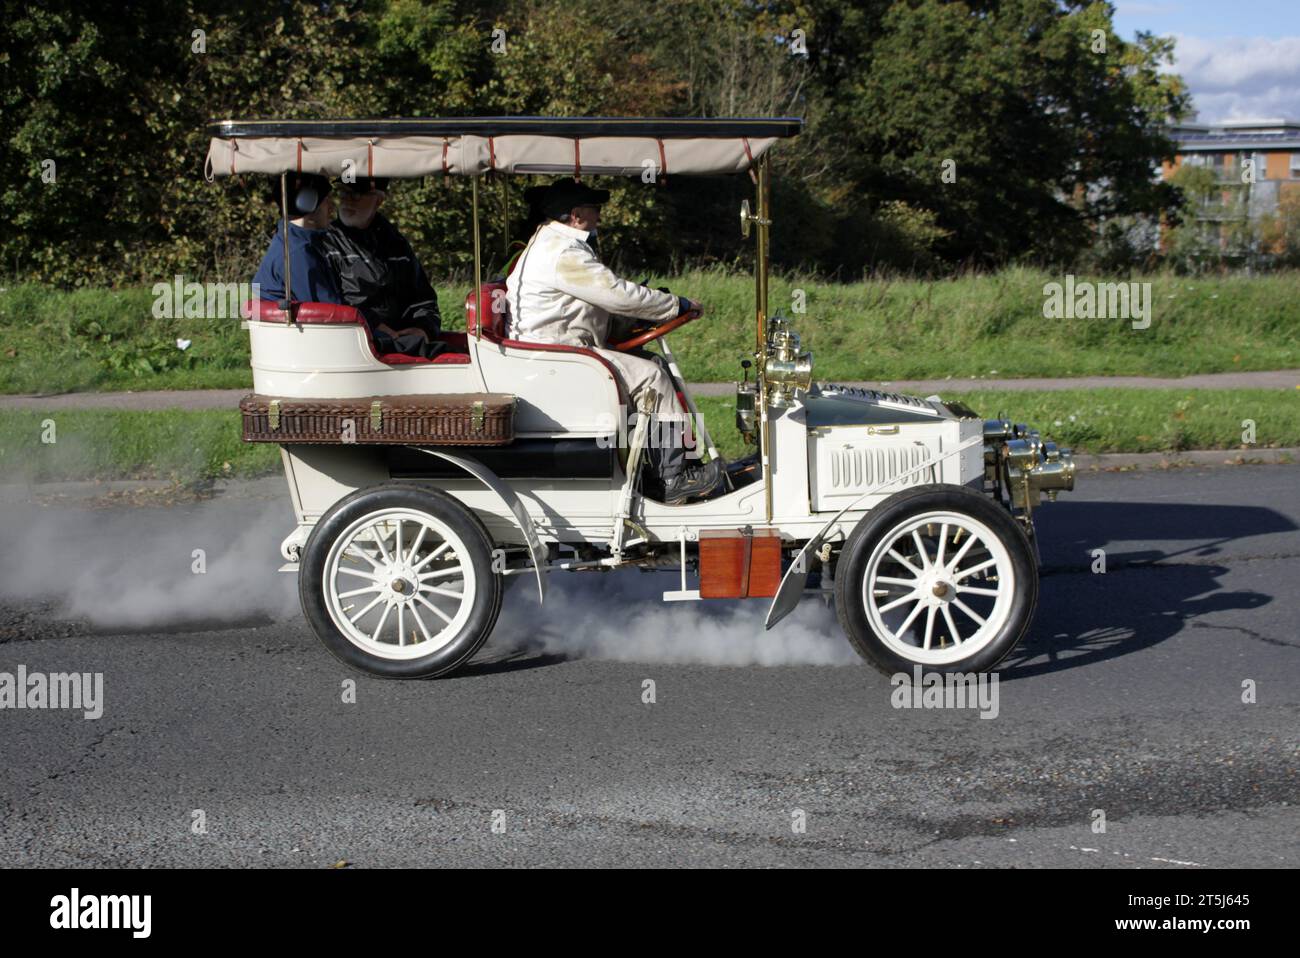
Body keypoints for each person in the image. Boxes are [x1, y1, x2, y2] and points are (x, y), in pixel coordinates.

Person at [505, 178, 723, 504]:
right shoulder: (563, 252)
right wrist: (677, 305)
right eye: (594, 210)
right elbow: (617, 294)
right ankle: (673, 478)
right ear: (576, 215)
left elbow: (596, 303)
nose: (599, 217)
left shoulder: (554, 244)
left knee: (652, 364)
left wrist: (637, 317)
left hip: (556, 351)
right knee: (651, 376)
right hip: (554, 358)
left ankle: (667, 465)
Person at [319, 176, 444, 358]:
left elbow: (423, 299)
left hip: (398, 345)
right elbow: (329, 303)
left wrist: (423, 329)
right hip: (351, 344)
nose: (346, 200)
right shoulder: (325, 244)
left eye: (355, 194)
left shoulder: (396, 244)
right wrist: (373, 324)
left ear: (378, 200)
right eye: (343, 193)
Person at [252, 173, 341, 305]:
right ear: (308, 202)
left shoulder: (288, 240)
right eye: (327, 200)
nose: (332, 207)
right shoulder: (298, 253)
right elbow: (332, 310)